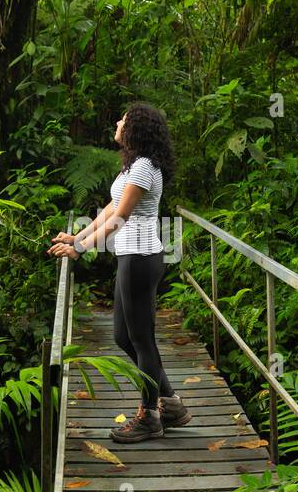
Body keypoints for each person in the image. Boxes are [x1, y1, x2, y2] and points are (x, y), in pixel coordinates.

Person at [47, 102, 190, 442]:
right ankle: (170, 403)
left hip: (140, 258)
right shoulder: (132, 167)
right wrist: (77, 236)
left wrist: (80, 250)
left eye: (122, 120)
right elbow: (109, 208)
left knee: (142, 339)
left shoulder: (143, 168)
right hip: (130, 257)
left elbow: (119, 219)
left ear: (135, 129)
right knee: (123, 337)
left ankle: (149, 416)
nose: (117, 122)